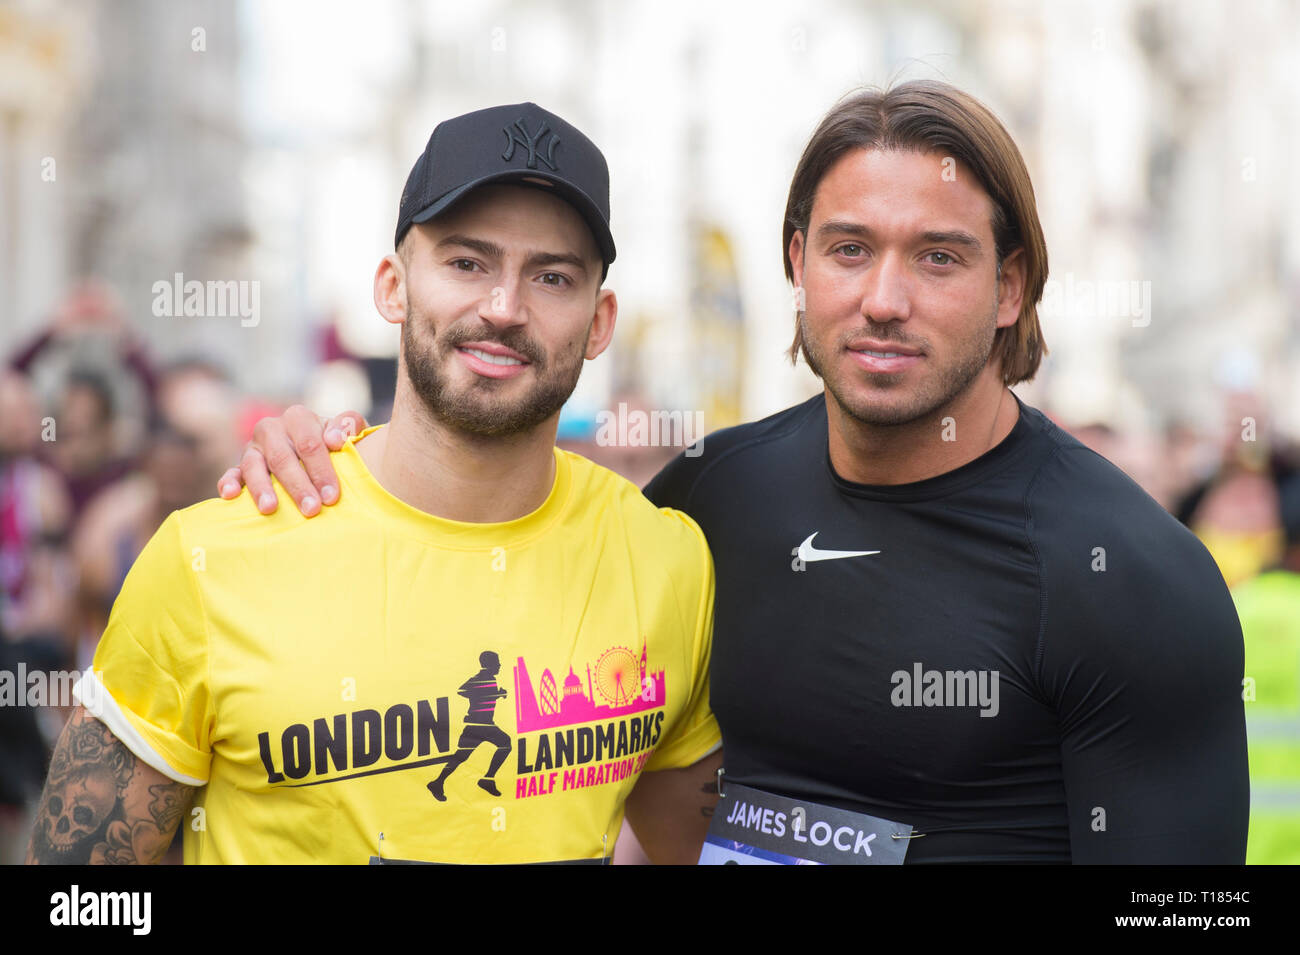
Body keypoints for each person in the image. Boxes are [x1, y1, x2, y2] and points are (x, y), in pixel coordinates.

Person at [225, 81, 1249, 863]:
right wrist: (333, 461)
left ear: (1009, 288)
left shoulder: (1123, 571)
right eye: (849, 249)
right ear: (797, 265)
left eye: (938, 257)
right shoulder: (705, 502)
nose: (883, 298)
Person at [27, 102, 721, 865]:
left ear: (599, 321)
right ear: (393, 286)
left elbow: (687, 847)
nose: (503, 307)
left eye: (552, 276)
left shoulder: (669, 565)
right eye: (467, 262)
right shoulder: (212, 557)